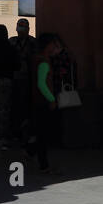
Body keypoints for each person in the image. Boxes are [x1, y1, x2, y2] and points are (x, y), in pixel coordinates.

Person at [29, 32, 60, 172]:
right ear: (48, 46)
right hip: (43, 103)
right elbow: (42, 84)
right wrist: (52, 99)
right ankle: (44, 165)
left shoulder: (37, 59)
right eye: (53, 44)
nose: (55, 47)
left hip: (36, 101)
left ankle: (30, 150)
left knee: (40, 132)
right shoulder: (43, 62)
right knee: (43, 134)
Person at [9, 18, 37, 141]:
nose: (21, 28)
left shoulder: (33, 42)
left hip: (28, 80)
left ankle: (26, 132)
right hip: (13, 78)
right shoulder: (11, 42)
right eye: (19, 26)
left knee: (26, 106)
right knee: (14, 106)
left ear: (28, 29)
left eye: (23, 26)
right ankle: (15, 132)